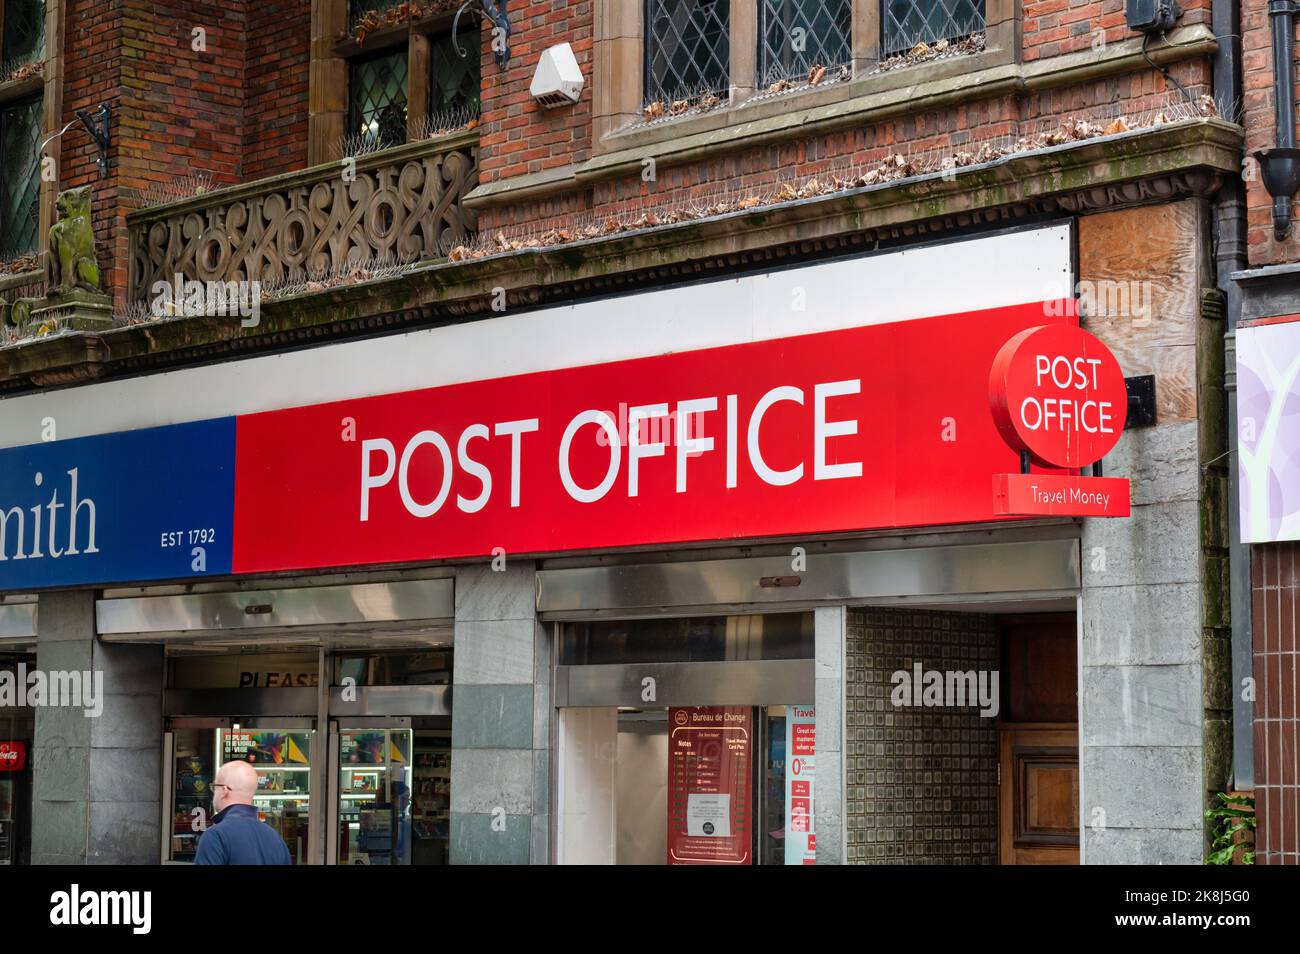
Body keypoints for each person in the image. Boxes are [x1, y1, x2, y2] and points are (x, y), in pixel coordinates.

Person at [194, 759, 291, 865]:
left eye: (215, 787)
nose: (213, 793)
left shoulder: (216, 836)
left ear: (224, 791)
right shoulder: (276, 840)